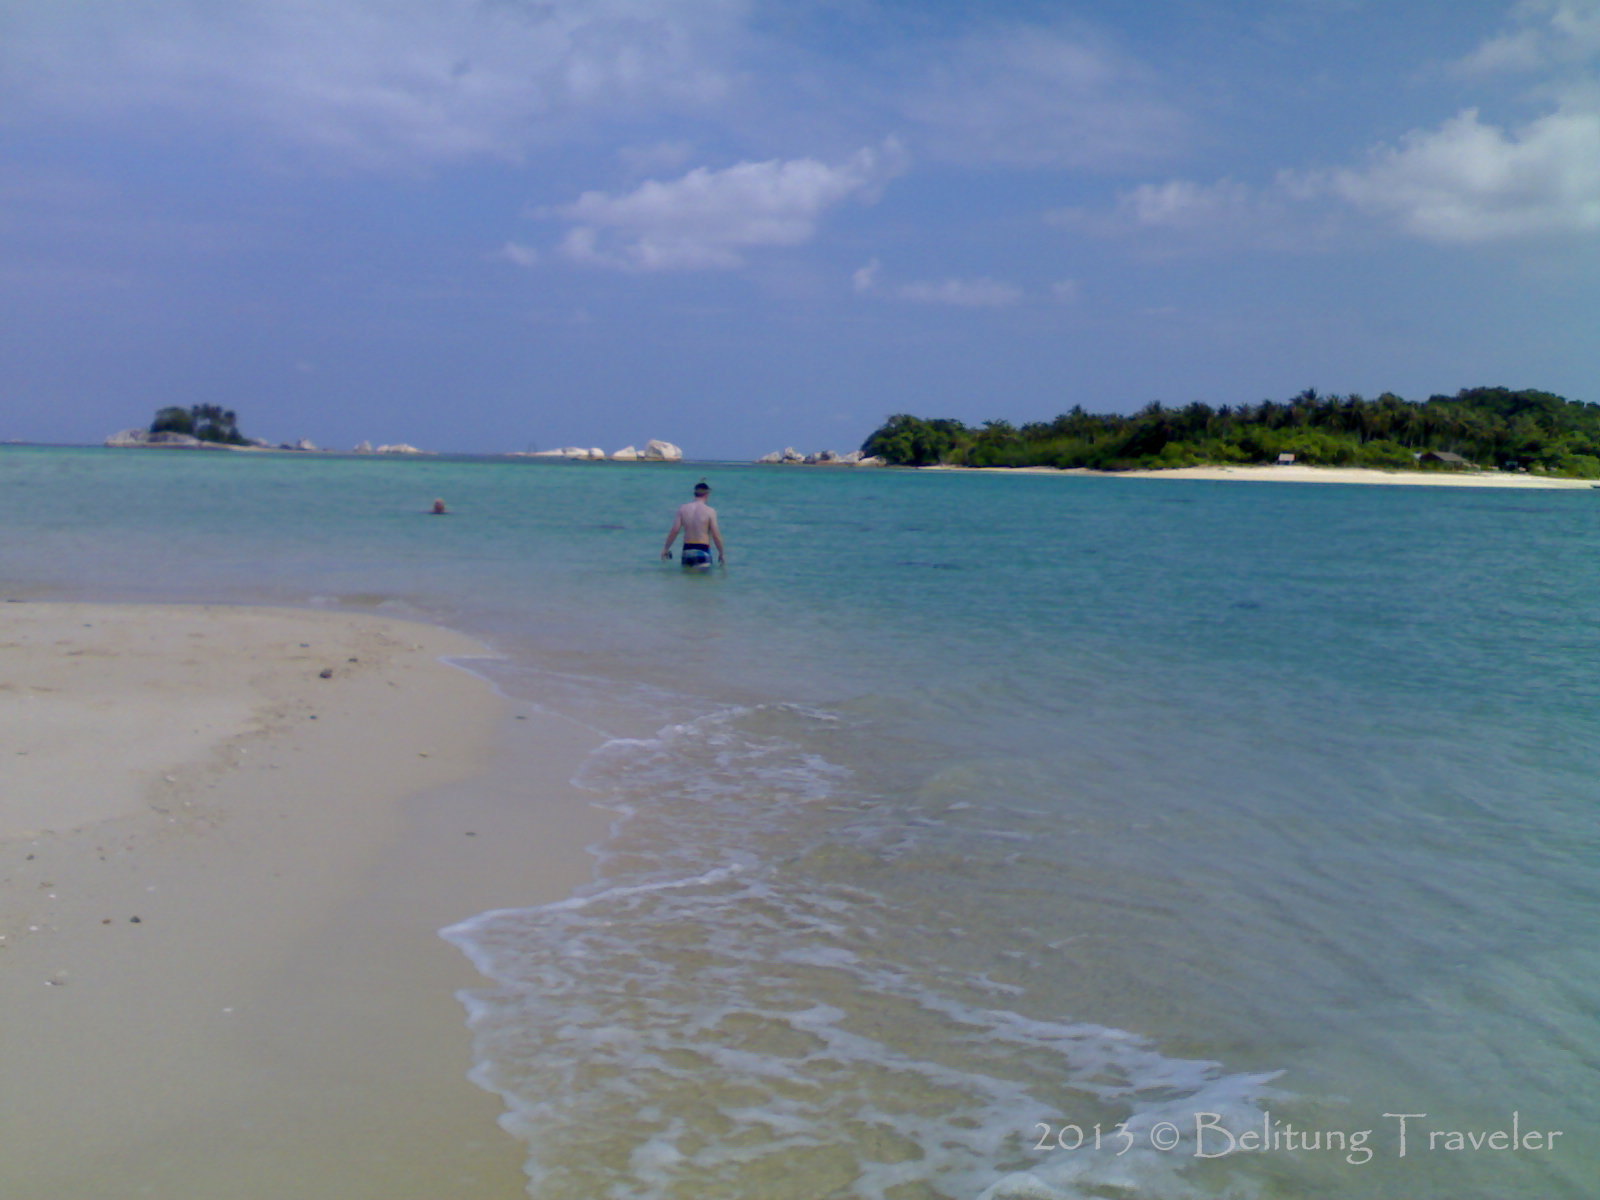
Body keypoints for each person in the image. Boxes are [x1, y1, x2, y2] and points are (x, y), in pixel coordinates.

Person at [661, 481, 725, 567]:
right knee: (704, 580)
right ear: (707, 494)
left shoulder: (683, 509)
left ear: (694, 494)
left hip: (687, 550)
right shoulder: (710, 511)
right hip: (703, 549)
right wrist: (721, 553)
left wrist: (666, 549)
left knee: (687, 579)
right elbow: (716, 535)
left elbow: (675, 531)